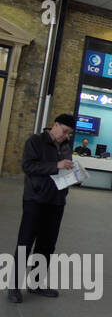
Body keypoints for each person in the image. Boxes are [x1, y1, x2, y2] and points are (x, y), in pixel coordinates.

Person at [10, 113, 78, 303]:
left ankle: (36, 283)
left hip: (56, 201)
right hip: (35, 199)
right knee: (25, 242)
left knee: (47, 244)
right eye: (64, 131)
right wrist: (56, 165)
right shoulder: (35, 141)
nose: (66, 136)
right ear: (55, 125)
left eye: (69, 133)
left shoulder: (66, 146)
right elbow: (28, 166)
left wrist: (75, 177)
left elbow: (64, 170)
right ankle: (14, 286)